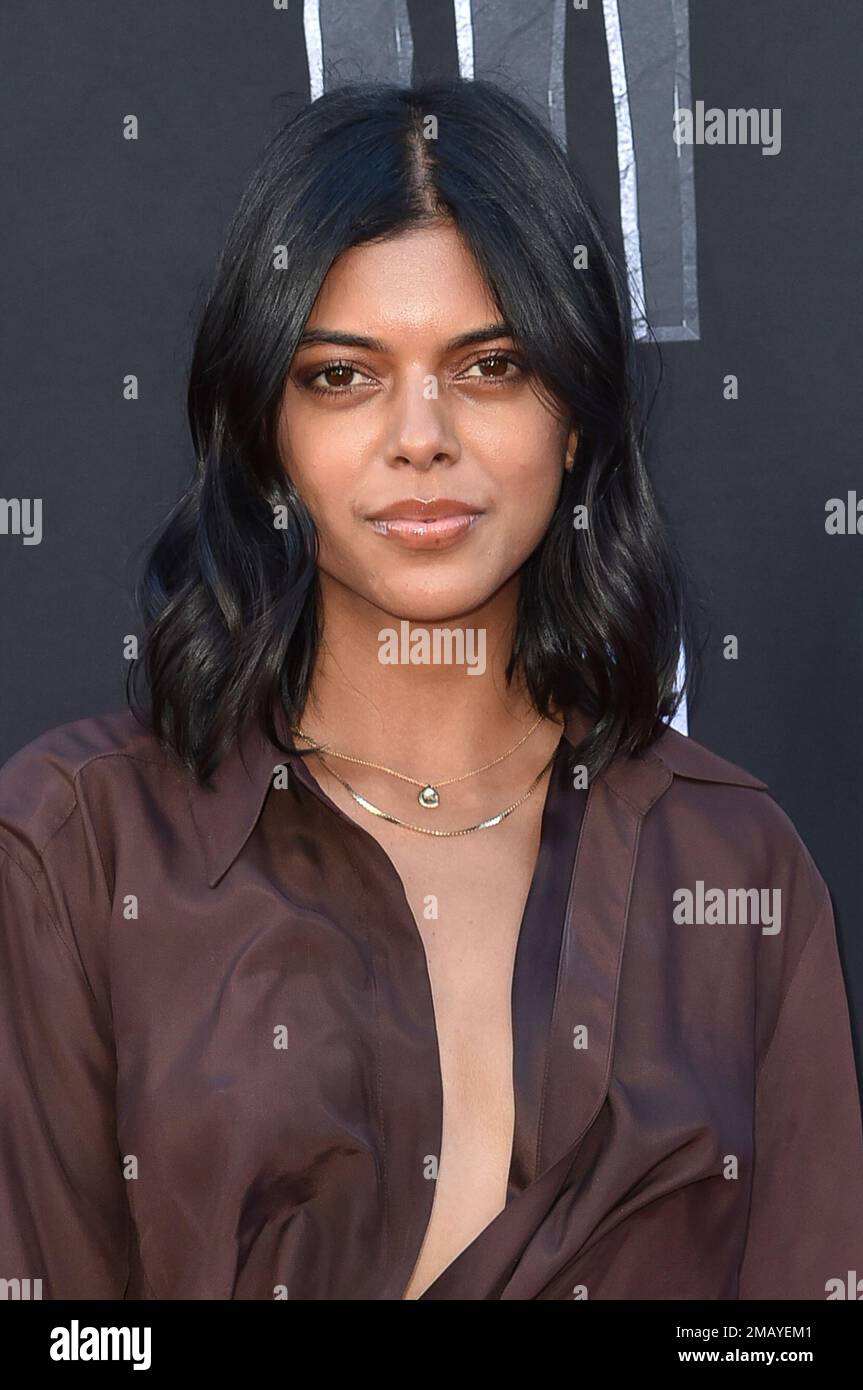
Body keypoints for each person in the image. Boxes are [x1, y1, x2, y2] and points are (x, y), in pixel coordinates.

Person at [1, 78, 861, 1302]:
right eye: (343, 376)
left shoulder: (733, 868)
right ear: (263, 432)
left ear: (574, 421)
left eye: (490, 365)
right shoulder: (72, 853)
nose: (422, 435)